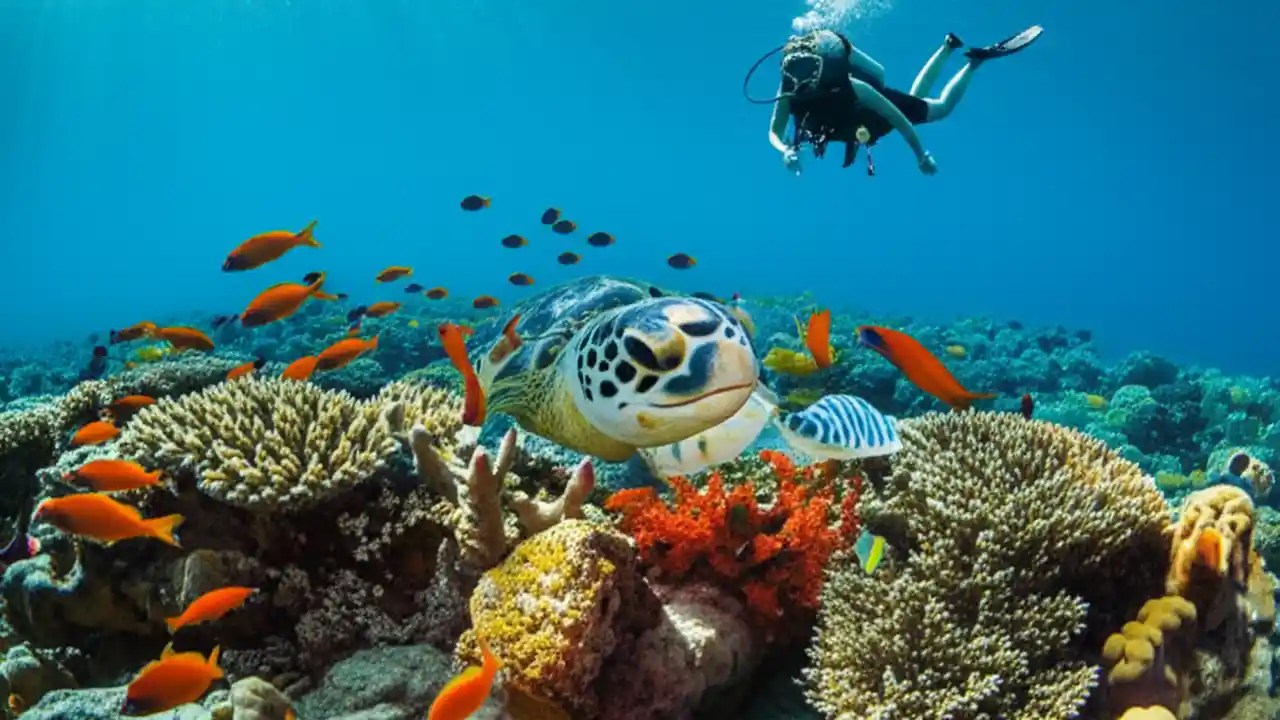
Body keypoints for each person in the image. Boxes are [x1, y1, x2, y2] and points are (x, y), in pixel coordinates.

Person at [764, 25, 1042, 175]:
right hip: (862, 125)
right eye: (793, 74)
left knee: (941, 109)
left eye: (808, 72)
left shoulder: (851, 86)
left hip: (875, 115)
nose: (801, 82)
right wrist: (783, 151)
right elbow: (774, 132)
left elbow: (895, 115)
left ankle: (973, 62)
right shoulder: (788, 91)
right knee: (917, 98)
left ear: (820, 67)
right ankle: (947, 47)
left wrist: (921, 155)